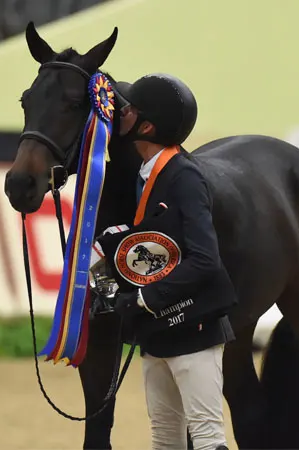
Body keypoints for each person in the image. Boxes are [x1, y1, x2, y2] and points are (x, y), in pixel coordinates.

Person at [110, 73, 235, 450]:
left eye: (129, 110)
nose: (122, 114)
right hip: (158, 330)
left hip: (193, 327)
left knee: (207, 435)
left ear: (146, 126)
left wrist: (146, 299)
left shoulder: (183, 176)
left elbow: (205, 260)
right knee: (164, 436)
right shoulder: (146, 174)